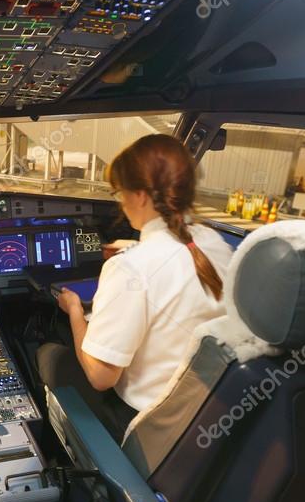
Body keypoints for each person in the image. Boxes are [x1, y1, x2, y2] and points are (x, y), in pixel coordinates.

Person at [37, 134, 233, 443]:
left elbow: (101, 378)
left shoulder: (130, 268)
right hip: (206, 412)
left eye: (120, 192)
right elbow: (172, 260)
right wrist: (133, 250)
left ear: (140, 195)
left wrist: (75, 312)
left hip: (144, 426)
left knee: (50, 355)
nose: (120, 201)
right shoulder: (215, 244)